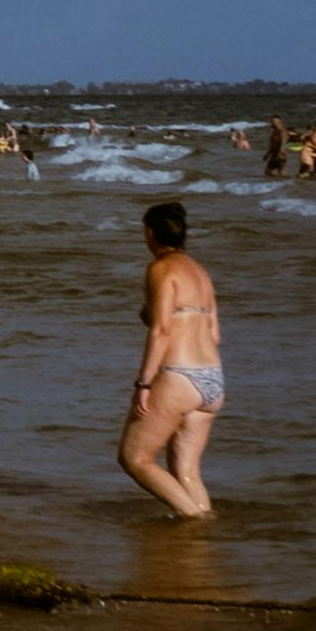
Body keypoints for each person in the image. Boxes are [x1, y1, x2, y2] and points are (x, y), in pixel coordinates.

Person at [120, 203, 222, 520]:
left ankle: (194, 520)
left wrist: (144, 383)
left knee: (134, 458)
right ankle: (205, 528)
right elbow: (214, 333)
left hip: (180, 375)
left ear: (150, 233)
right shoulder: (199, 270)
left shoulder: (161, 268)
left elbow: (162, 330)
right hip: (213, 379)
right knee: (186, 471)